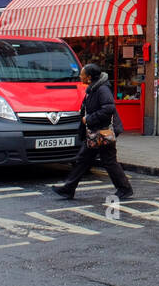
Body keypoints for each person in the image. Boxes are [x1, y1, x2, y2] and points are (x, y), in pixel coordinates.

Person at [52, 64, 133, 200]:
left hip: (102, 132)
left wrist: (89, 118)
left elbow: (108, 109)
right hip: (95, 133)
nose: (80, 76)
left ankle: (124, 189)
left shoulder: (102, 89)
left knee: (107, 161)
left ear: (89, 77)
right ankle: (69, 188)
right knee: (84, 160)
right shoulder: (94, 88)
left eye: (82, 74)